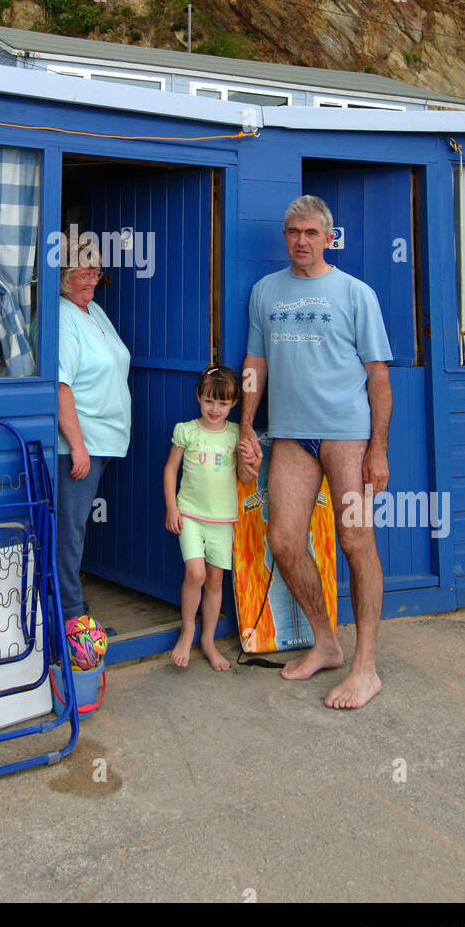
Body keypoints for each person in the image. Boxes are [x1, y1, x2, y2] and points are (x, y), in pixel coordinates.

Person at [239, 195, 392, 710]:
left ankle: (365, 667)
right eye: (292, 232)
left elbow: (378, 376)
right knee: (283, 539)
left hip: (346, 437)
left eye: (310, 233)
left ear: (329, 237)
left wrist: (378, 450)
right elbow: (254, 363)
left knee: (355, 540)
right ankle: (326, 643)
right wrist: (245, 427)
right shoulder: (265, 291)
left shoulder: (355, 293)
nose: (300, 241)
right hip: (290, 436)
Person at [57, 248, 131, 625]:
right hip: (79, 444)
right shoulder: (61, 316)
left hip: (104, 439)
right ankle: (69, 615)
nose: (91, 282)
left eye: (96, 274)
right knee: (68, 531)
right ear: (64, 277)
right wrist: (77, 447)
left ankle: (71, 606)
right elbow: (61, 387)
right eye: (82, 275)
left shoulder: (93, 310)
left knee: (77, 526)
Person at [164, 365, 247, 672]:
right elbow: (171, 469)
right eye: (209, 401)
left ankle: (208, 641)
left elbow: (247, 472)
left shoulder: (236, 434)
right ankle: (188, 631)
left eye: (223, 403)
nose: (215, 409)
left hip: (223, 520)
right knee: (196, 574)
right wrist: (172, 507)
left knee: (214, 580)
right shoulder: (187, 431)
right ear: (198, 396)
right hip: (190, 515)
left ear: (233, 404)